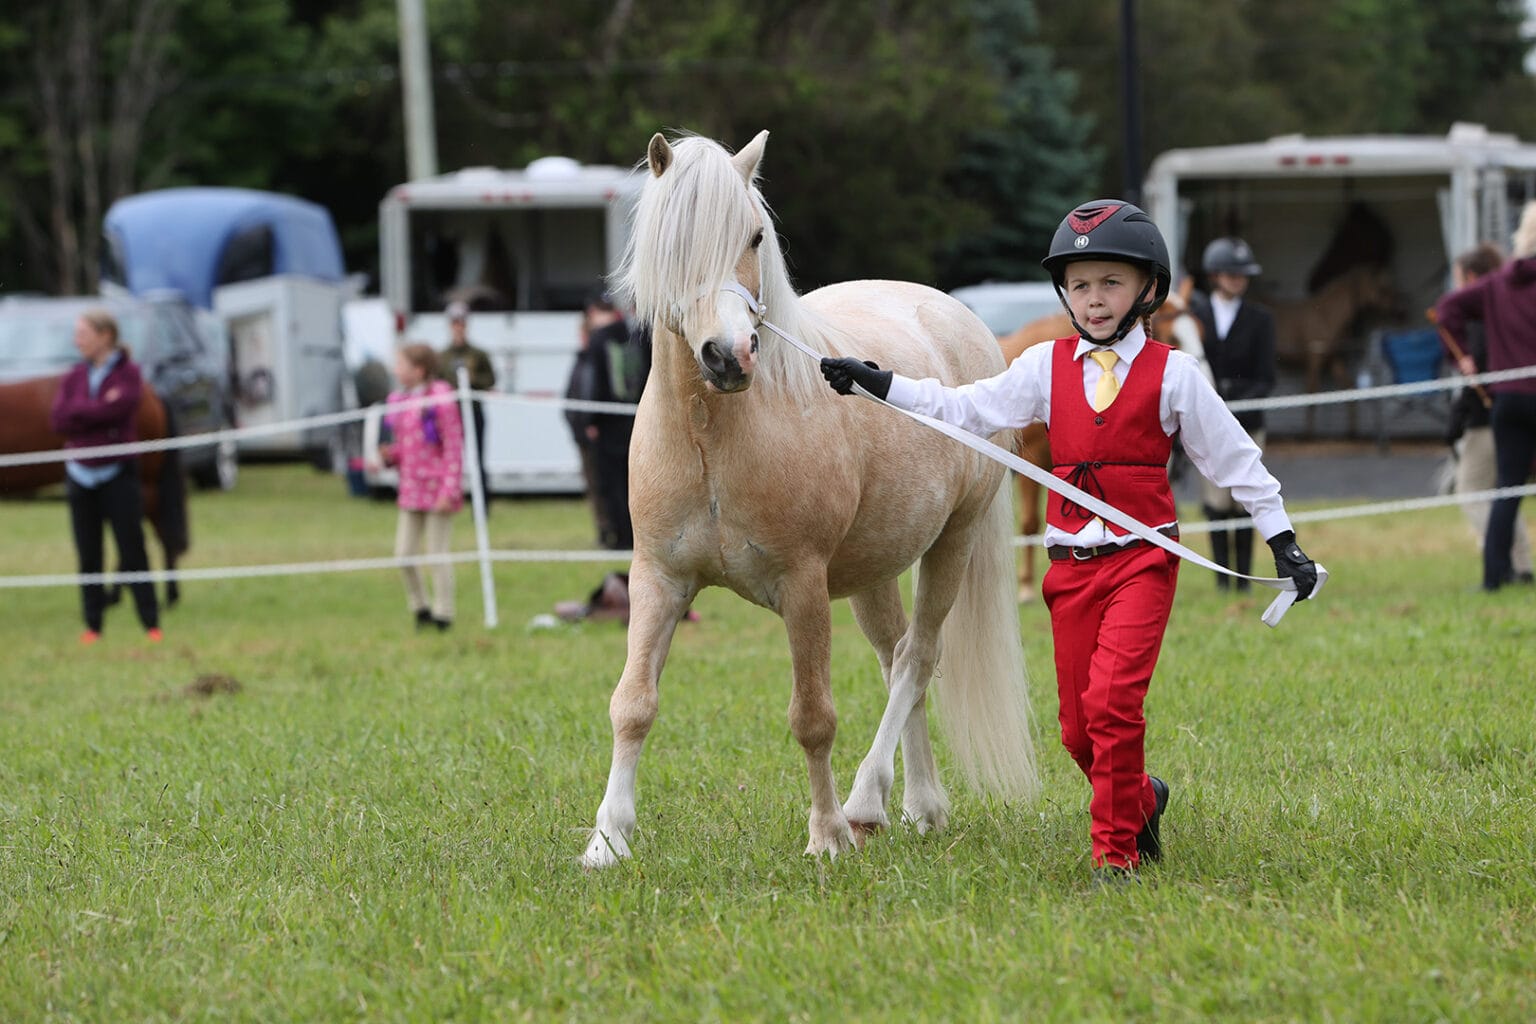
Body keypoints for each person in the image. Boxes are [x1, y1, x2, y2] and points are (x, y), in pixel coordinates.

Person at [820, 200, 1319, 885]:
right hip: (1069, 568)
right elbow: (967, 407)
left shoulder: (1174, 375)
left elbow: (1235, 460)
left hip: (1143, 561)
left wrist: (1283, 539)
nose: (1094, 299)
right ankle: (1144, 797)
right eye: (1080, 285)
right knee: (1078, 733)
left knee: (1115, 705)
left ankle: (1114, 854)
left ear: (1147, 288)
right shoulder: (1042, 367)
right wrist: (882, 386)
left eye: (1110, 282)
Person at [1435, 201, 1536, 592]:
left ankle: (1494, 579)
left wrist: (1463, 356)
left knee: (1506, 489)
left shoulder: (1496, 285)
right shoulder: (1496, 284)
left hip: (1509, 397)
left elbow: (1446, 309)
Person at [49, 310, 162, 644]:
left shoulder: (129, 373)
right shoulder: (73, 376)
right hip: (80, 475)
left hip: (119, 472)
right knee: (88, 552)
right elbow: (58, 419)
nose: (77, 340)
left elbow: (121, 408)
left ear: (105, 336)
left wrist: (82, 411)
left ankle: (151, 623)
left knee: (132, 547)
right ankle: (93, 625)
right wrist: (97, 410)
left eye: (83, 333)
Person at [1190, 237, 1277, 592]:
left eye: (1243, 275)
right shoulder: (1195, 316)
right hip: (1206, 424)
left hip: (1247, 421)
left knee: (1243, 500)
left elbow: (1266, 377)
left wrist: (1236, 405)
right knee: (1215, 501)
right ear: (1215, 275)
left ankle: (1244, 578)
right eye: (1231, 273)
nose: (1238, 280)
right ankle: (1221, 578)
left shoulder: (1260, 319)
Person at [380, 343, 464, 630]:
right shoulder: (399, 401)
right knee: (403, 555)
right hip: (410, 489)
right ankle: (420, 608)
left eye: (400, 365)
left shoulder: (441, 400)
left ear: (419, 370)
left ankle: (444, 613)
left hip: (438, 487)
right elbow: (408, 446)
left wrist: (449, 489)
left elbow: (453, 446)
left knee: (437, 554)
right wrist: (391, 456)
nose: (396, 370)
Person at [437, 301, 496, 503]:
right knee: (451, 458)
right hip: (451, 415)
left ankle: (482, 504)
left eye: (461, 322)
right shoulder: (443, 356)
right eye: (454, 322)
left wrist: (472, 381)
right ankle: (451, 498)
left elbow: (491, 380)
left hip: (474, 410)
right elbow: (437, 384)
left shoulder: (478, 355)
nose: (458, 326)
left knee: (478, 459)